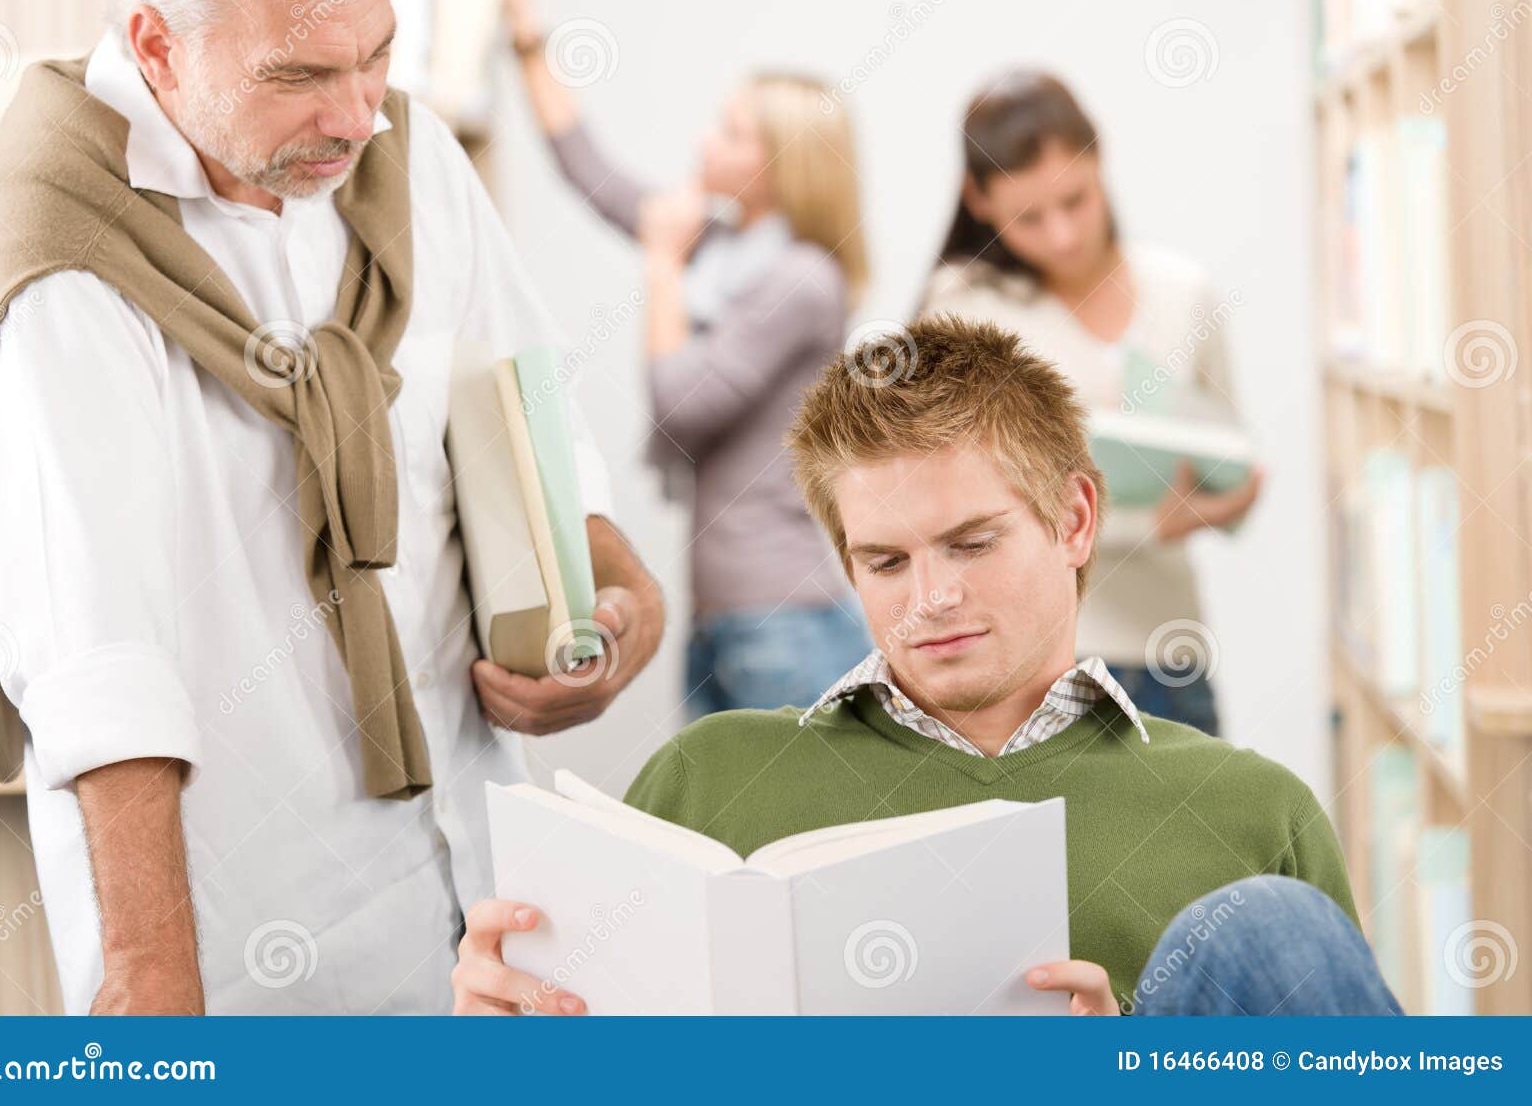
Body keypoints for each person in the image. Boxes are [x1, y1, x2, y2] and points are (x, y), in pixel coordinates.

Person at [0, 0, 664, 1014]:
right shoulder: (63, 234)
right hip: (248, 942)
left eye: (375, 57)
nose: (355, 118)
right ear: (158, 45)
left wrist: (620, 605)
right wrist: (150, 977)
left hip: (486, 906)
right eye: (297, 76)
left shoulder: (415, 161)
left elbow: (533, 418)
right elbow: (93, 643)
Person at [450, 316, 1398, 1017]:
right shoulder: (708, 777)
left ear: (1074, 519)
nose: (929, 598)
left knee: (1272, 929)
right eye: (886, 561)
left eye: (972, 543)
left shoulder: (1251, 807)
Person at [494, 0, 872, 718]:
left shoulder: (802, 278)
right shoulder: (726, 253)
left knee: (800, 838)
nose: (704, 143)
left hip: (783, 620)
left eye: (731, 133)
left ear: (782, 166)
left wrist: (663, 262)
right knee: (715, 836)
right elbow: (590, 171)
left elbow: (681, 398)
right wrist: (525, 27)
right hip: (727, 616)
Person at [919, 71, 1263, 737]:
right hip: (1029, 667)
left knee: (1195, 839)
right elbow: (953, 504)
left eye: (1076, 200)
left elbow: (1225, 450)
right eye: (1029, 217)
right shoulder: (963, 308)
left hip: (1170, 654)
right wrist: (1146, 528)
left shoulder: (1183, 290)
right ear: (979, 201)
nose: (1062, 235)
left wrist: (1232, 499)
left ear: (1099, 160)